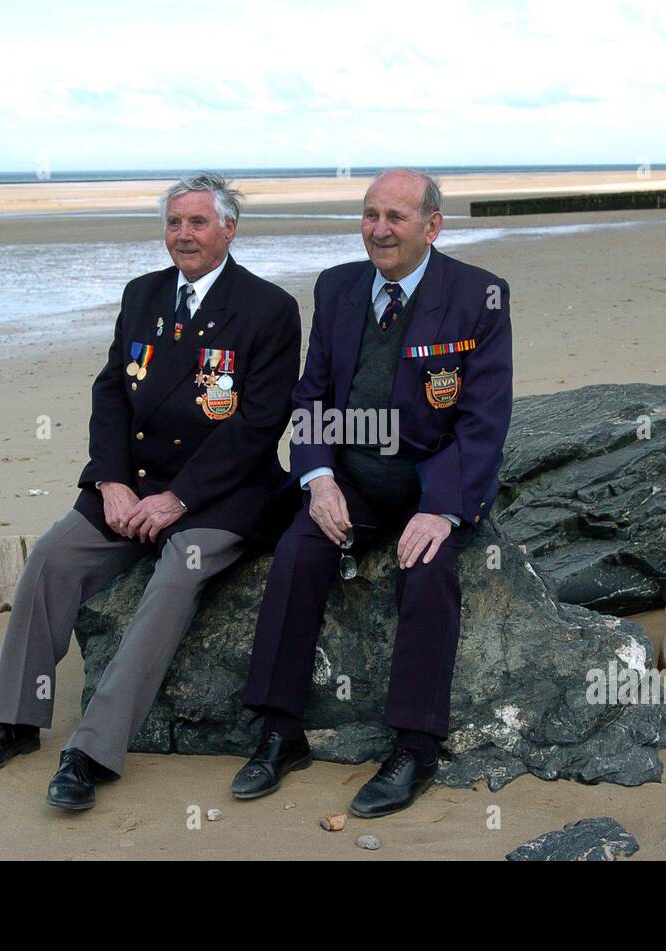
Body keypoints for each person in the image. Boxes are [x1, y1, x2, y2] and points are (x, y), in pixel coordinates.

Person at [0, 172, 301, 811]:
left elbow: (257, 424)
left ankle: (91, 751)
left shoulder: (269, 309)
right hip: (132, 482)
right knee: (52, 558)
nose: (184, 235)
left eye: (198, 222)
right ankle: (15, 721)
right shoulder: (142, 295)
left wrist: (178, 501)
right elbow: (112, 390)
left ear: (228, 228)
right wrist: (111, 483)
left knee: (173, 579)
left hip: (221, 493)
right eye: (174, 223)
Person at [233, 168, 512, 818]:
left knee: (425, 569)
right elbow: (312, 396)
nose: (379, 229)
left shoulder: (478, 296)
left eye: (395, 216)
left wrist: (443, 509)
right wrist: (318, 477)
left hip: (431, 481)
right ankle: (280, 730)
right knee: (299, 548)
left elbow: (483, 417)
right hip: (352, 479)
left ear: (432, 226)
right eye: (369, 215)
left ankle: (415, 746)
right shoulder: (336, 288)